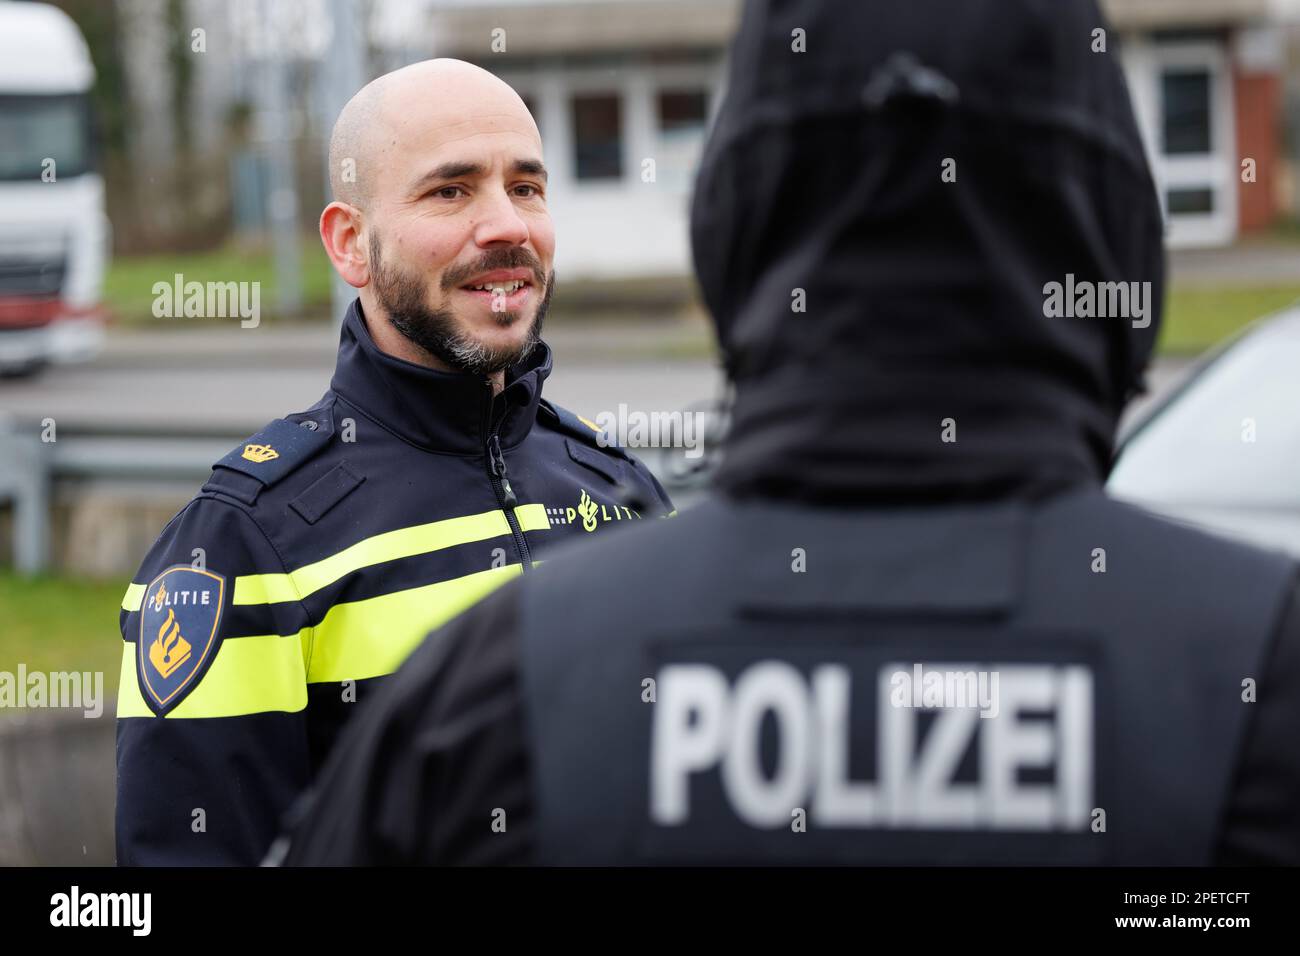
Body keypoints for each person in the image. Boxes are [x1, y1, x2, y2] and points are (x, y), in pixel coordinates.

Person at [279, 0, 1300, 866]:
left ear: (739, 218)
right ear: (1112, 223)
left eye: (525, 182)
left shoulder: (496, 693)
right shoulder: (1256, 672)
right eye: (450, 187)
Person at [115, 59, 673, 866]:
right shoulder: (241, 547)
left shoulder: (623, 491)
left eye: (526, 187)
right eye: (451, 190)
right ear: (351, 243)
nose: (505, 224)